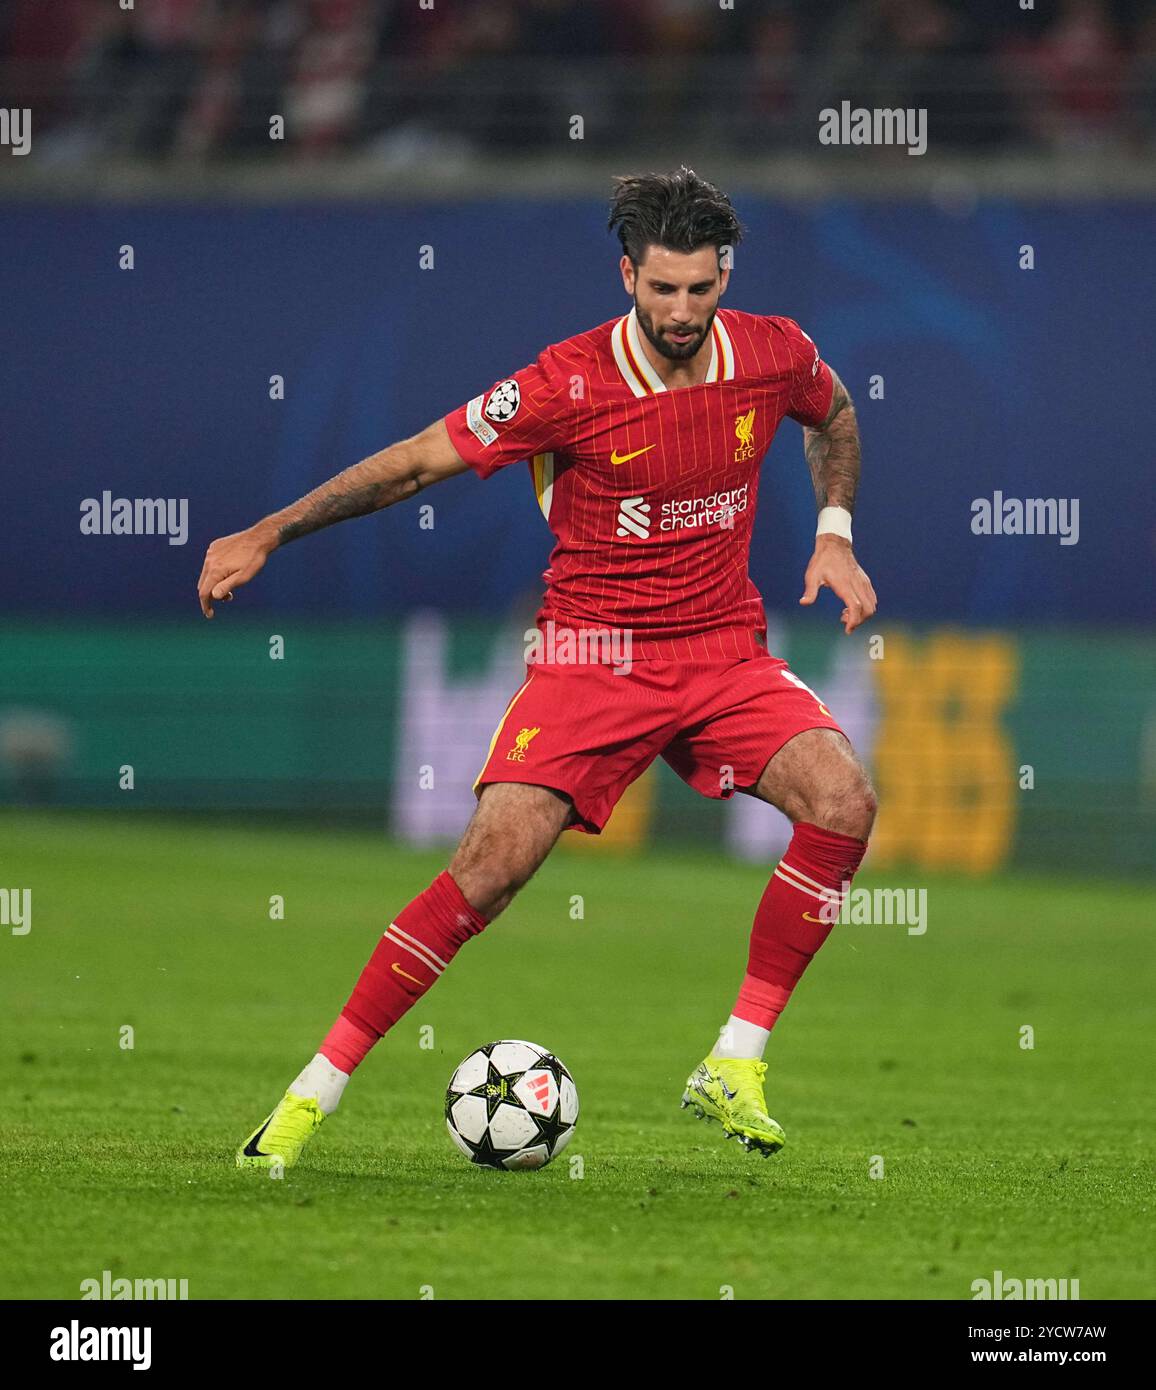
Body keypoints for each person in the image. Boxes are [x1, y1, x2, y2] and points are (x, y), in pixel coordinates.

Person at [197, 166, 878, 1169]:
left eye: (700, 288)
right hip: (589, 660)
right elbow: (418, 460)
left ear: (723, 276)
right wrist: (271, 529)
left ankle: (735, 1060)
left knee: (843, 800)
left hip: (721, 652)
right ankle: (311, 1094)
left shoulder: (772, 353)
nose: (682, 310)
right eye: (662, 289)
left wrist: (832, 533)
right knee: (489, 869)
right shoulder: (566, 383)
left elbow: (835, 417)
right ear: (626, 277)